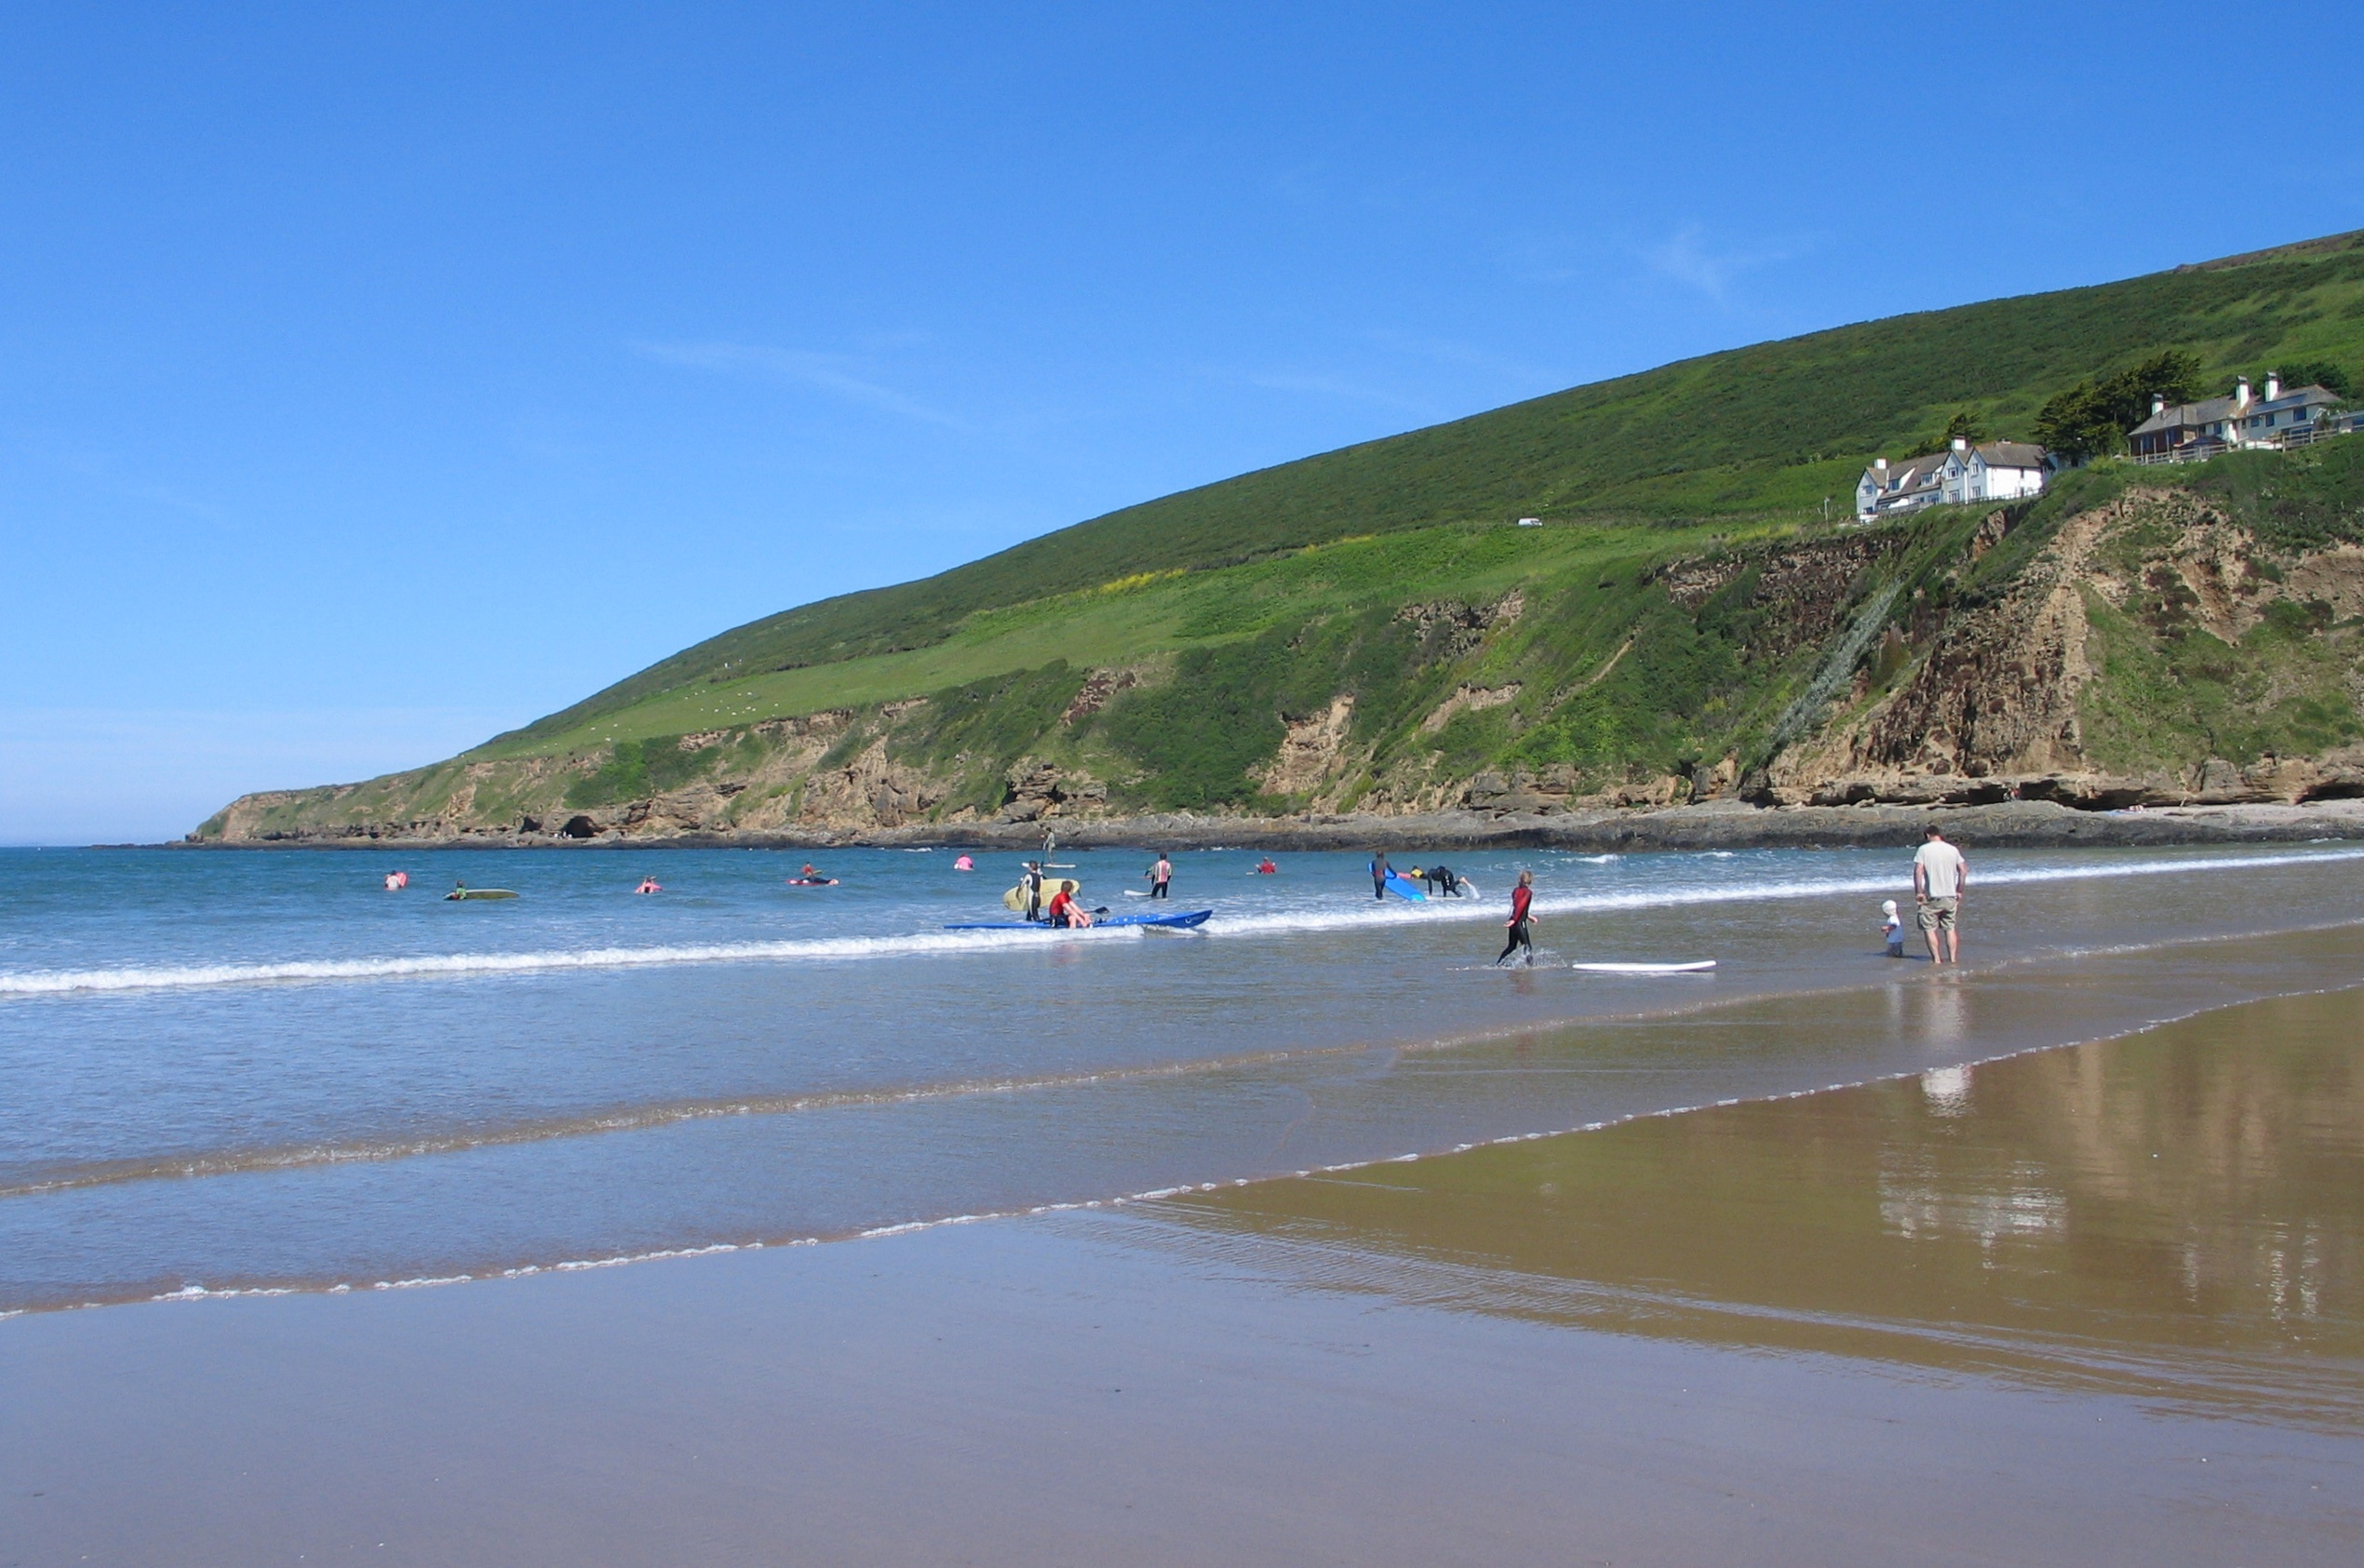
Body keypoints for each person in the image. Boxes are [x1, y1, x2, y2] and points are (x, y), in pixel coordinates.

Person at [1912, 825, 1968, 966]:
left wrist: (1919, 892)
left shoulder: (1923, 849)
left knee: (1929, 928)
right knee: (1950, 928)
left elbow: (1918, 871)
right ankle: (1953, 959)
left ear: (1927, 835)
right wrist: (1959, 890)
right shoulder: (1952, 849)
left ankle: (1937, 960)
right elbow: (1963, 870)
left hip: (1932, 896)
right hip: (1950, 895)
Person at [1496, 870, 1536, 966]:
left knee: (1511, 946)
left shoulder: (1515, 891)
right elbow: (1521, 905)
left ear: (1519, 880)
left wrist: (1528, 916)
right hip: (1518, 922)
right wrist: (1514, 920)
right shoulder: (1528, 892)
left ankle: (1498, 964)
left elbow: (1517, 906)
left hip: (1514, 921)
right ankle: (1530, 968)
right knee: (1527, 947)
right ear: (1530, 881)